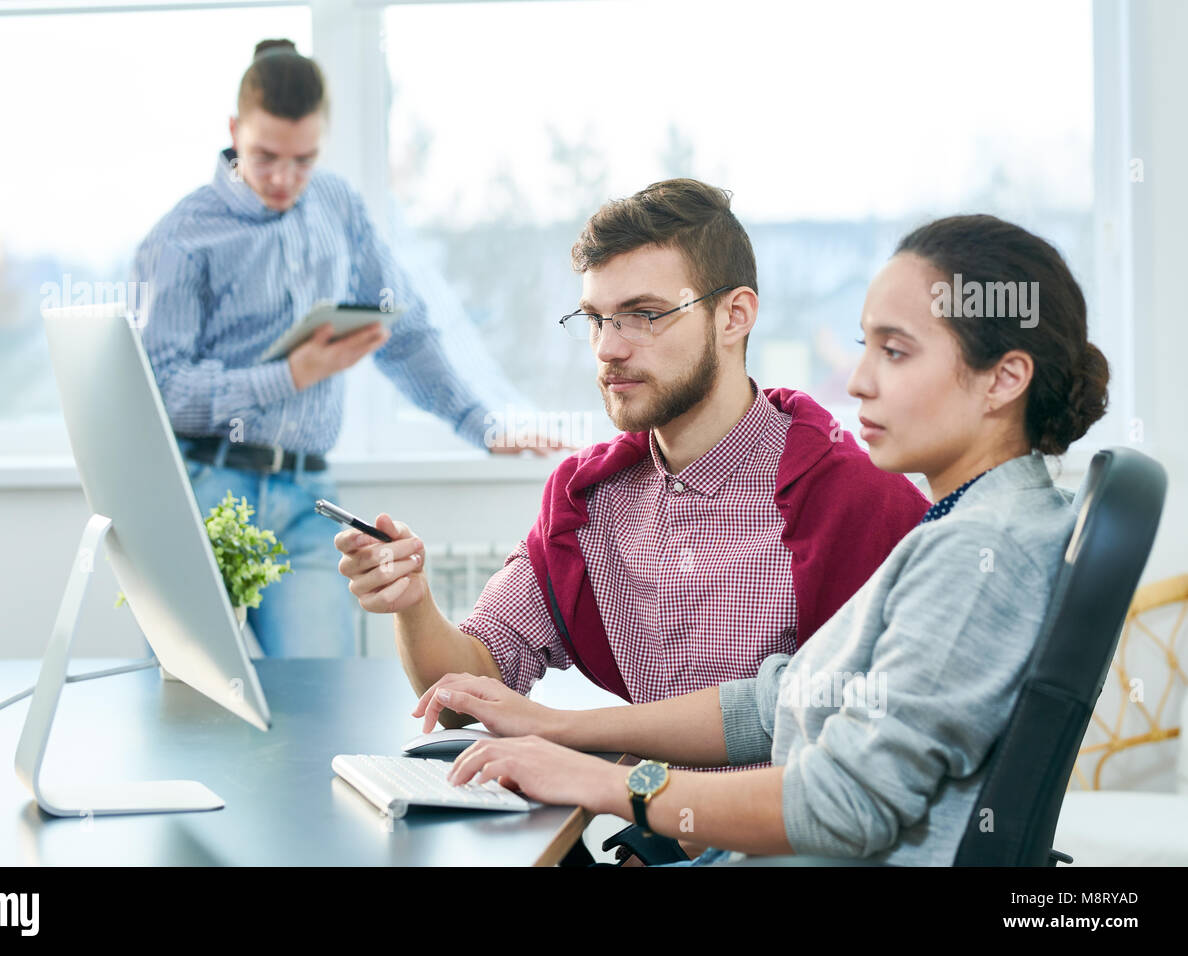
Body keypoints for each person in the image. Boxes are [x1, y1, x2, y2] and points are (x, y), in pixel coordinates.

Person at [412, 214, 1111, 866]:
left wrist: (604, 783)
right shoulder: (976, 523)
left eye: (894, 352)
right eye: (865, 345)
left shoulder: (978, 555)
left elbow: (845, 803)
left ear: (1005, 379)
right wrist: (567, 732)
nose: (860, 381)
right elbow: (778, 702)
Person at [335, 178, 931, 733]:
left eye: (644, 316)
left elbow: (870, 756)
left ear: (735, 314)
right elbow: (468, 691)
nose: (609, 349)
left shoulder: (859, 496)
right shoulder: (587, 499)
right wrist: (413, 604)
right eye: (596, 320)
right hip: (651, 823)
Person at [131, 39, 551, 658]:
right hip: (202, 495)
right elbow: (162, 393)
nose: (284, 178)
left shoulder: (337, 207)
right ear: (232, 132)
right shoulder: (181, 236)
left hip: (306, 500)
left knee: (321, 702)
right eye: (265, 156)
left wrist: (481, 424)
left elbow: (402, 335)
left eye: (303, 159)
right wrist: (292, 374)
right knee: (188, 705)